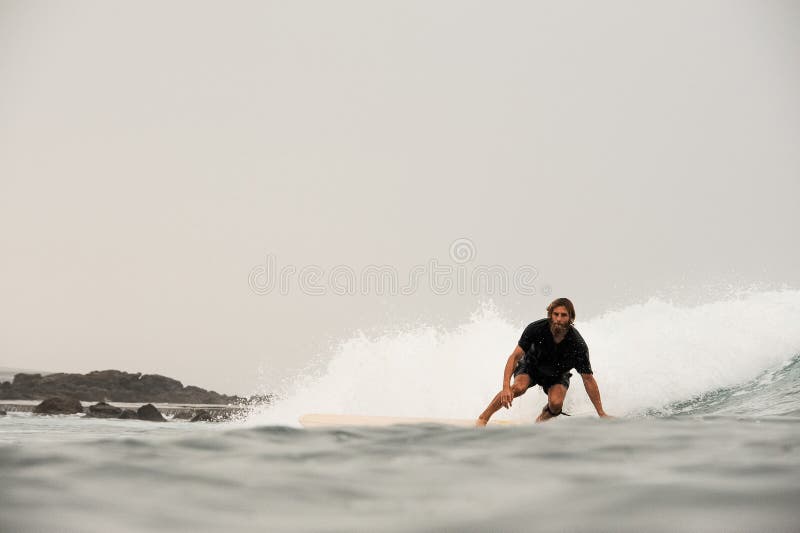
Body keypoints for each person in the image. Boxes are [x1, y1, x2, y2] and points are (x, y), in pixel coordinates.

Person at [476, 298, 610, 425]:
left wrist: (601, 413)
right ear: (550, 315)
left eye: (563, 315)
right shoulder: (536, 329)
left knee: (556, 404)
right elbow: (515, 357)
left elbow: (588, 379)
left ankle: (538, 423)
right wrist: (506, 387)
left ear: (570, 318)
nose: (558, 319)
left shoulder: (577, 345)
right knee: (518, 388)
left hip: (557, 375)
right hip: (530, 367)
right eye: (555, 314)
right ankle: (483, 419)